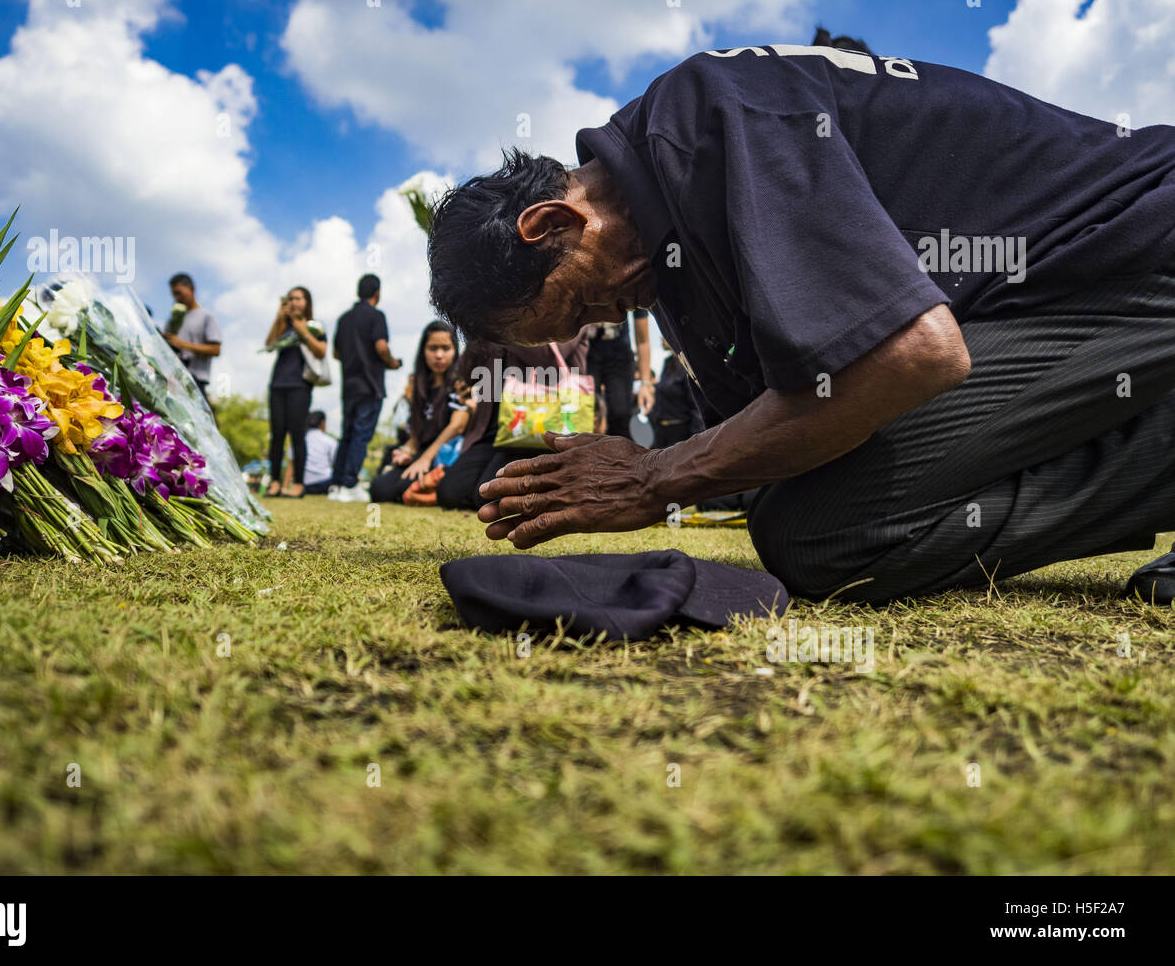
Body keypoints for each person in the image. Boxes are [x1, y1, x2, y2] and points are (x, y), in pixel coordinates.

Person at [427, 44, 1175, 605]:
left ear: (555, 221)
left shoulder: (709, 117)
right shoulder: (672, 250)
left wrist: (657, 474)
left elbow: (916, 355)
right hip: (1059, 304)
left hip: (1139, 256)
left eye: (583, 303)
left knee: (819, 533)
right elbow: (791, 433)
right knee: (814, 527)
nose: (609, 317)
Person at [436, 333, 589, 511]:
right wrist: (476, 325)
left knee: (487, 497)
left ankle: (563, 486)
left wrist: (500, 323)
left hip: (536, 432)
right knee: (449, 493)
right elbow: (468, 373)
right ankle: (546, 485)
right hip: (493, 430)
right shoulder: (495, 319)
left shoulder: (571, 315)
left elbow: (545, 357)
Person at [370, 321, 468, 503]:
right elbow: (416, 433)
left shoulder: (459, 382)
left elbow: (457, 426)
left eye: (445, 348)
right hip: (422, 453)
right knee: (379, 488)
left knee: (401, 487)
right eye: (433, 348)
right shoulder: (420, 385)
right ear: (423, 351)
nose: (439, 355)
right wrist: (406, 451)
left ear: (455, 351)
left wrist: (425, 458)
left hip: (446, 456)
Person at [328, 274, 401, 501]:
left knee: (347, 434)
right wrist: (393, 363)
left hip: (349, 385)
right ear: (377, 293)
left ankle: (336, 484)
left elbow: (336, 353)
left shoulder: (344, 319)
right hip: (370, 385)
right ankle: (350, 485)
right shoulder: (376, 316)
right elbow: (381, 347)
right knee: (361, 434)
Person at [263, 286, 327, 497]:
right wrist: (279, 317)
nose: (294, 302)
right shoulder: (284, 326)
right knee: (277, 435)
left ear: (307, 302)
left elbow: (321, 351)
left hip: (300, 385)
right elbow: (270, 345)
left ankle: (298, 483)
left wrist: (302, 331)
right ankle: (274, 482)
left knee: (297, 435)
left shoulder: (314, 326)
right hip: (278, 384)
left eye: (298, 298)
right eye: (290, 298)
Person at [584, 312, 654, 440]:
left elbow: (643, 341)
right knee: (587, 414)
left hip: (619, 357)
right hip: (587, 354)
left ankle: (619, 456)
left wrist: (645, 383)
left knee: (620, 414)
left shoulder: (633, 293)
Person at [163, 273, 222, 403]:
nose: (176, 298)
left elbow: (216, 350)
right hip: (172, 380)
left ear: (191, 289)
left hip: (195, 381)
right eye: (174, 294)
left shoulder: (207, 317)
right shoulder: (173, 319)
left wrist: (183, 345)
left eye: (179, 293)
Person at [648, 344, 705, 449]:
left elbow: (696, 405)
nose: (662, 338)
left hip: (681, 432)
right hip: (662, 432)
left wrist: (696, 440)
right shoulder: (668, 362)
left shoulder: (687, 364)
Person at [301, 411, 339, 495]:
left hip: (305, 484)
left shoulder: (301, 440)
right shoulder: (330, 441)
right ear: (322, 423)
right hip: (325, 482)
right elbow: (337, 464)